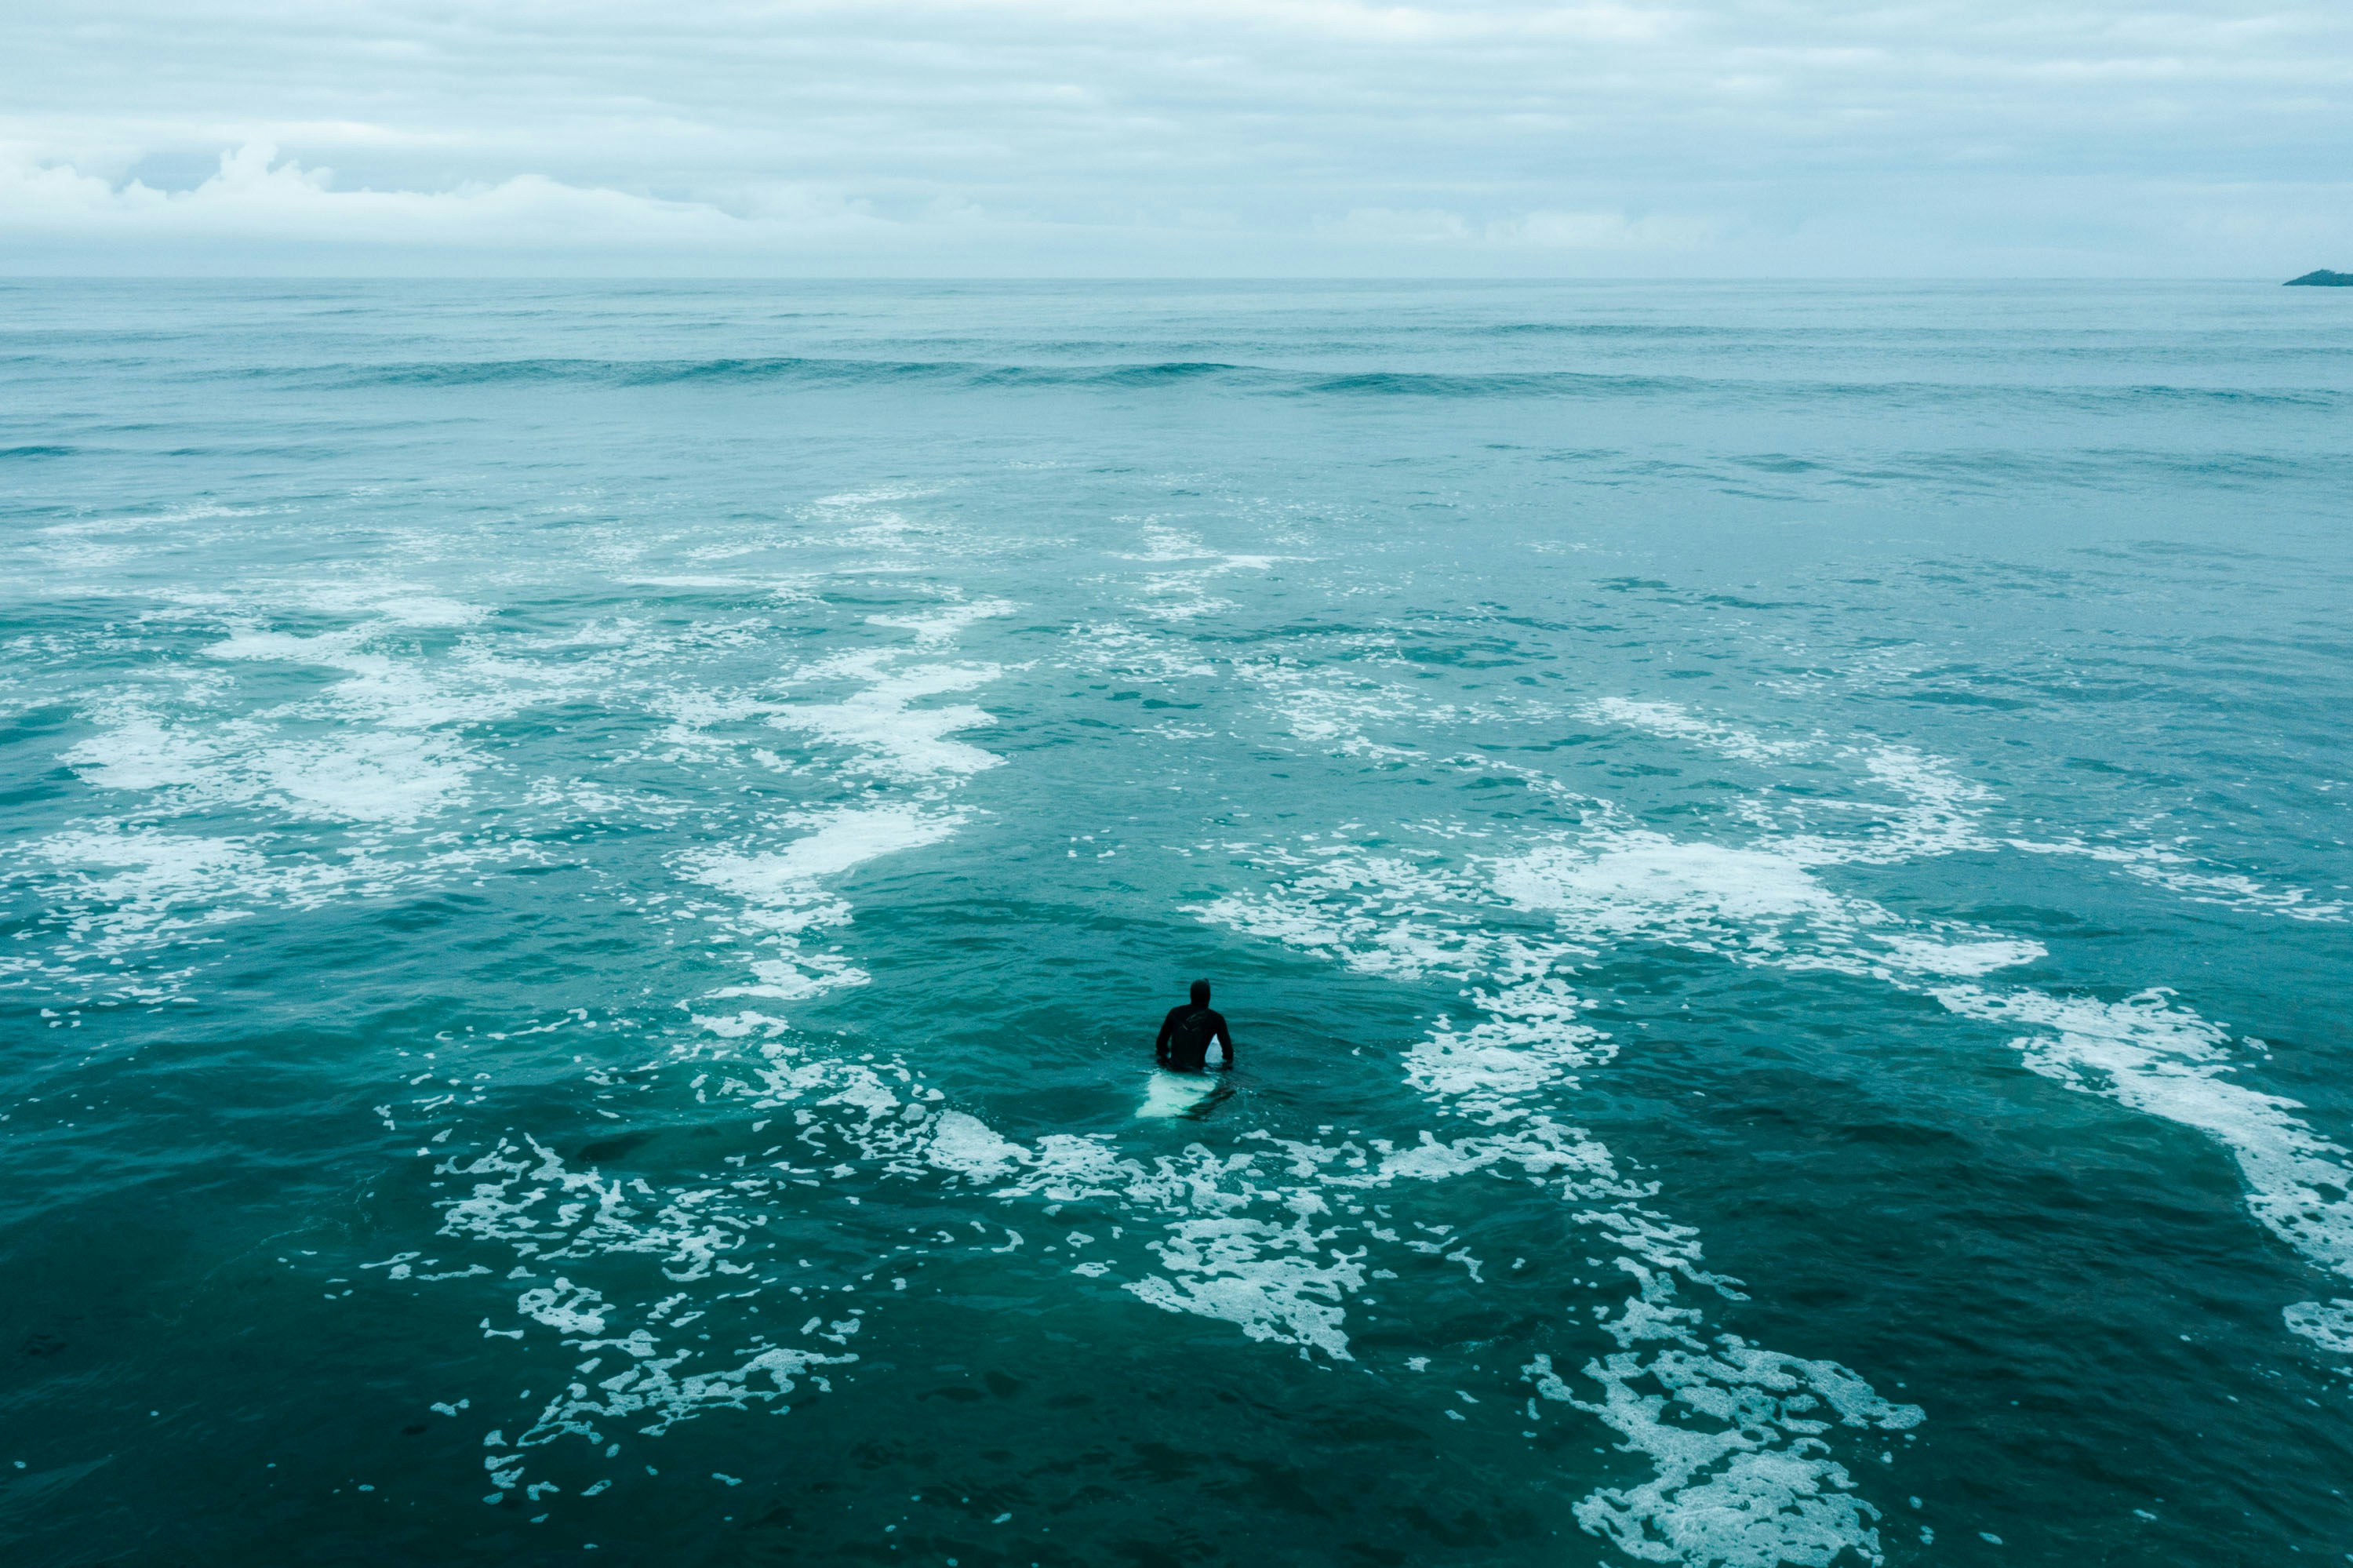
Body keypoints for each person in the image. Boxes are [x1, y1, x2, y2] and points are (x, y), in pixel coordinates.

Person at [1155, 979, 1234, 1074]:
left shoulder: (1175, 1013)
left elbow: (1160, 1045)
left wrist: (1165, 1062)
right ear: (1209, 997)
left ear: (1191, 995)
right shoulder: (1217, 1019)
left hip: (1174, 1067)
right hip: (1197, 1069)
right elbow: (1228, 1054)